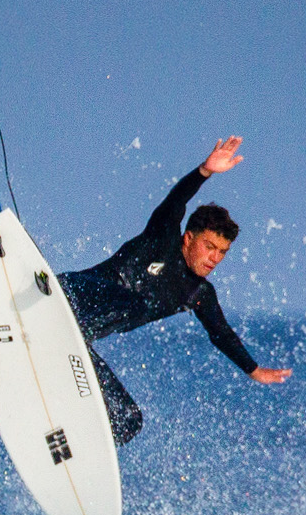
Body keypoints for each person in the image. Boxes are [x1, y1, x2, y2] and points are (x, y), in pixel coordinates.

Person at [60, 136, 292, 446]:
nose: (214, 258)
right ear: (188, 237)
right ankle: (62, 335)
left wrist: (254, 370)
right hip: (70, 296)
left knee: (129, 421)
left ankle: (77, 448)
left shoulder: (198, 293)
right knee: (138, 303)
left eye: (222, 252)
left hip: (77, 341)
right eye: (209, 246)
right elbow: (175, 201)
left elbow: (221, 333)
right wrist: (204, 172)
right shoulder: (162, 237)